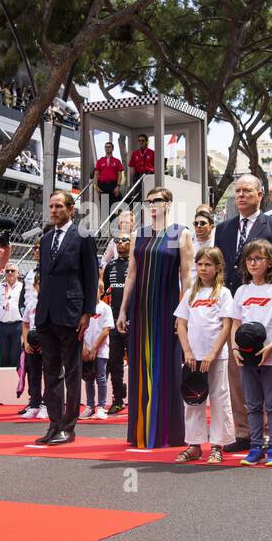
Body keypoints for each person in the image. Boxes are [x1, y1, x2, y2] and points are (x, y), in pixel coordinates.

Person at [214, 174, 272, 452]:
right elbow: (221, 272)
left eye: (246, 191)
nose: (240, 196)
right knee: (237, 372)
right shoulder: (224, 228)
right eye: (237, 191)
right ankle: (244, 433)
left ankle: (268, 434)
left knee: (266, 375)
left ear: (260, 194)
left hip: (268, 315)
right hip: (235, 311)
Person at [117, 186, 193, 449]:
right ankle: (140, 432)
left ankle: (168, 433)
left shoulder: (181, 233)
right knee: (140, 367)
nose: (152, 205)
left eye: (157, 201)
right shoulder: (139, 235)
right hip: (140, 310)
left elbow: (186, 277)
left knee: (167, 367)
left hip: (168, 309)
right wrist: (123, 310)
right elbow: (131, 276)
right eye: (149, 201)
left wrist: (185, 313)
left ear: (168, 204)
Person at [33, 191, 98, 445]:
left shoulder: (83, 236)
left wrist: (87, 313)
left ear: (71, 209)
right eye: (51, 206)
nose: (54, 210)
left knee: (72, 371)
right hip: (46, 314)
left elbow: (91, 277)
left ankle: (68, 427)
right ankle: (53, 423)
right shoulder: (46, 239)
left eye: (59, 206)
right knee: (50, 372)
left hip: (71, 314)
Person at [228, 239, 272, 466]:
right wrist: (236, 348)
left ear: (270, 262)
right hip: (247, 356)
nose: (253, 263)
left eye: (258, 259)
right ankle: (256, 447)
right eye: (249, 259)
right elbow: (235, 324)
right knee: (253, 403)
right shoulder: (241, 290)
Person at [174, 246, 235, 463]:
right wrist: (188, 351)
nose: (203, 268)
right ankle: (194, 444)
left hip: (215, 357)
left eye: (208, 264)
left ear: (218, 268)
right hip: (192, 358)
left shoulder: (224, 294)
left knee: (219, 399)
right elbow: (181, 324)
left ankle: (218, 445)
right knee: (192, 400)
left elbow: (226, 326)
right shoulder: (191, 293)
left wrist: (212, 354)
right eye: (200, 264)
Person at [101, 232, 131, 415]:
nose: (120, 244)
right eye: (117, 241)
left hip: (132, 321)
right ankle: (118, 399)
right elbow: (103, 292)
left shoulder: (135, 265)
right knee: (114, 363)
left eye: (124, 240)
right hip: (113, 321)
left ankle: (135, 398)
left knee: (135, 362)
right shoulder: (110, 266)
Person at [80, 285, 114, 418]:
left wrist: (94, 348)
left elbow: (106, 329)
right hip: (86, 350)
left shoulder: (106, 308)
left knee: (101, 378)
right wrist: (83, 348)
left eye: (96, 290)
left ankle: (101, 406)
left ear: (101, 291)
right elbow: (79, 329)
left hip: (101, 349)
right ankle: (89, 406)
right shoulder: (84, 309)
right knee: (88, 378)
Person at [19, 274, 47, 420]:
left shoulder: (51, 302)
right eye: (38, 284)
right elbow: (25, 324)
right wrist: (27, 343)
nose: (40, 287)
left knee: (48, 375)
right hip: (32, 343)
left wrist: (46, 343)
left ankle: (46, 405)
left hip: (47, 344)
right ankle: (34, 405)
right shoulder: (31, 304)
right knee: (34, 375)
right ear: (35, 286)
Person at [0, 262, 25, 370]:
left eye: (12, 271)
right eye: (7, 271)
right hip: (1, 326)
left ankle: (16, 384)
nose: (10, 273)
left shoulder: (22, 287)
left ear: (18, 273)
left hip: (17, 326)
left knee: (15, 357)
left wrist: (25, 330)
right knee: (4, 357)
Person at [127, 134, 155, 202]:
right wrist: (132, 181)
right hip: (138, 176)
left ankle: (147, 211)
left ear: (146, 142)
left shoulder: (152, 152)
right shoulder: (135, 153)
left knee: (149, 195)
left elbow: (156, 166)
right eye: (139, 141)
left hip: (149, 176)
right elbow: (132, 168)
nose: (141, 142)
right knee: (137, 196)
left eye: (142, 140)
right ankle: (138, 212)